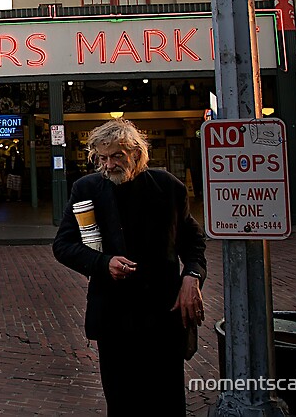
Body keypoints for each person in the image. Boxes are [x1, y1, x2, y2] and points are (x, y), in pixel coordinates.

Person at [52, 119, 206, 416]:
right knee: (122, 402)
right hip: (115, 316)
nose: (109, 165)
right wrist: (103, 262)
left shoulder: (168, 186)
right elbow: (63, 245)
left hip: (164, 312)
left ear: (136, 154)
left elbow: (193, 241)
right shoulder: (86, 189)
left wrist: (193, 276)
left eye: (117, 156)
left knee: (167, 400)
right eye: (102, 158)